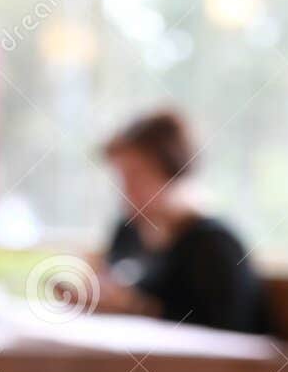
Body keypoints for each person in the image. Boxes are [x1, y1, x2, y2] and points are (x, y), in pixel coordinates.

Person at [92, 108, 269, 333]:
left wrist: (137, 308)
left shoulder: (214, 245)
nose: (125, 190)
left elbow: (230, 335)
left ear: (174, 172)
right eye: (120, 177)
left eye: (136, 176)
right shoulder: (127, 233)